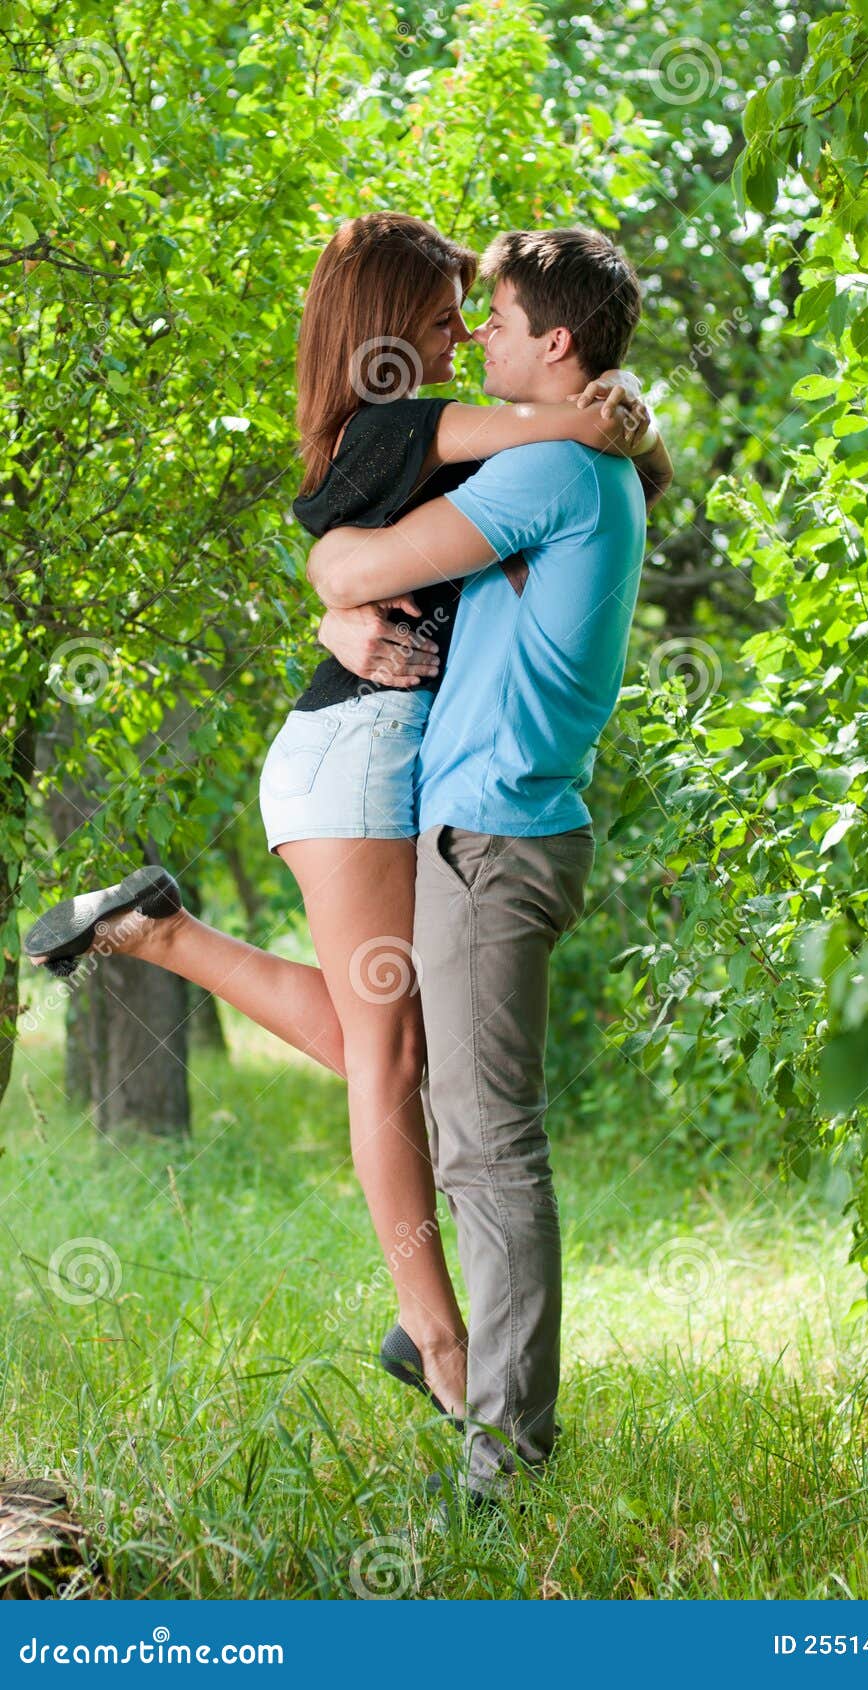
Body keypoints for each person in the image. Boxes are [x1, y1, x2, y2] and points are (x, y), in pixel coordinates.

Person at [22, 213, 665, 1435]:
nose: (468, 334)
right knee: (398, 1061)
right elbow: (379, 543)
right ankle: (438, 1341)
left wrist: (623, 411)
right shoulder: (415, 421)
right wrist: (602, 412)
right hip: (362, 761)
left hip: (365, 759)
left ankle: (162, 934)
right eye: (442, 319)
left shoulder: (453, 446)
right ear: (384, 338)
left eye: (484, 320)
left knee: (405, 1047)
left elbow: (511, 484)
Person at [306, 226, 673, 1505]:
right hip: (510, 830)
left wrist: (332, 593)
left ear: (554, 343)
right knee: (451, 1109)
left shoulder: (549, 474)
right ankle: (473, 1391)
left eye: (499, 318)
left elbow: (355, 560)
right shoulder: (591, 459)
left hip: (488, 835)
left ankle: (504, 1457)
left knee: (487, 1148)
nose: (478, 338)